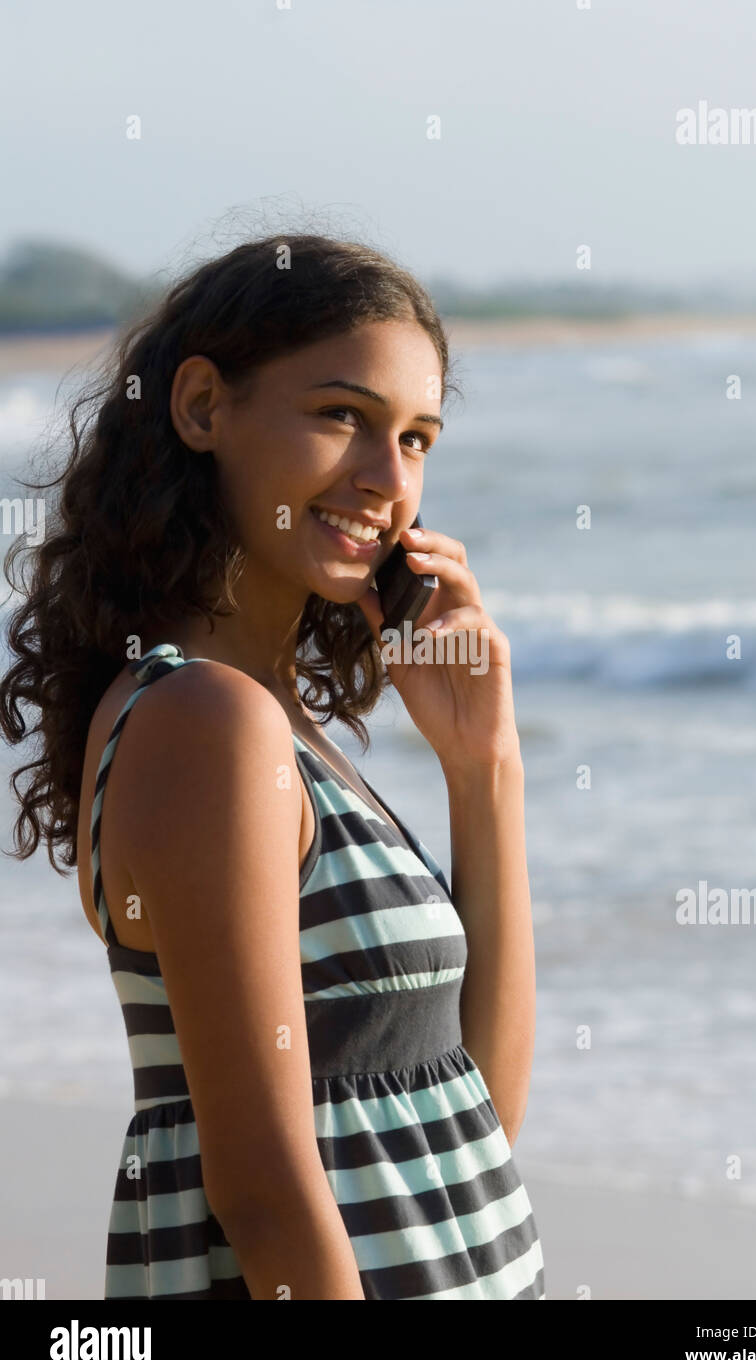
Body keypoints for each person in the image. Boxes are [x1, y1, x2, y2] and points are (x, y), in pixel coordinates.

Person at [0, 231, 545, 1300]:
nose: (389, 480)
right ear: (203, 407)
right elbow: (262, 1192)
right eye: (342, 416)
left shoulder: (278, 726)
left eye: (418, 438)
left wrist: (487, 768)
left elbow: (472, 1122)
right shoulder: (206, 721)